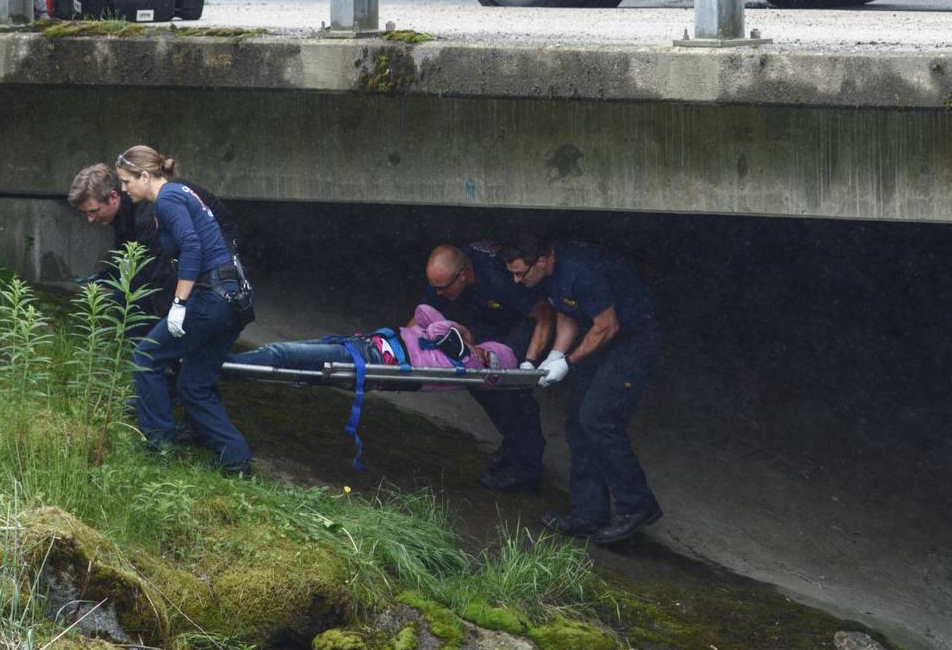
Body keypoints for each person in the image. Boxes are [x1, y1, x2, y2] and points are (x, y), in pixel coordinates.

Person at [503, 234, 663, 545]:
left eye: (522, 273)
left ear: (544, 260)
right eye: (512, 273)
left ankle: (637, 505)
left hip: (633, 338)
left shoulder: (582, 270)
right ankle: (588, 513)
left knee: (598, 417)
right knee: (578, 420)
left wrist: (570, 362)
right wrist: (554, 356)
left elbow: (607, 325)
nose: (517, 280)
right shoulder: (547, 275)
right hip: (601, 336)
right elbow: (568, 313)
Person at [116, 145, 253, 478]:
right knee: (194, 383)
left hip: (213, 299)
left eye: (125, 181)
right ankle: (235, 460)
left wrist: (179, 304)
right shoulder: (182, 191)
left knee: (146, 358)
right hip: (235, 299)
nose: (123, 190)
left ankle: (159, 444)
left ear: (144, 175)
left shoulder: (168, 199)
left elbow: (191, 246)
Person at [425, 242, 555, 492]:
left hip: (524, 321)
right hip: (488, 319)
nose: (438, 293)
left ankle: (526, 470)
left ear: (462, 275)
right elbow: (427, 310)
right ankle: (513, 440)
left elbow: (544, 314)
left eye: (442, 288)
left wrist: (528, 364)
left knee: (508, 387)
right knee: (476, 379)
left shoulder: (500, 278)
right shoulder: (445, 275)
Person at [65, 162, 241, 333]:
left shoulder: (147, 214)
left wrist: (170, 318)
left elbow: (162, 273)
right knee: (126, 294)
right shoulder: (126, 209)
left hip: (218, 251)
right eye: (85, 213)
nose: (89, 219)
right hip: (185, 246)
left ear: (113, 196)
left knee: (150, 300)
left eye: (93, 211)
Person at [229, 304, 521, 380]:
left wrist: (462, 331)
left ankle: (214, 368)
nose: (485, 357)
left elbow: (435, 329)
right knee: (283, 353)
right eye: (488, 353)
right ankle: (216, 367)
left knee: (280, 355)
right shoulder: (462, 349)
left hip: (372, 357)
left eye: (492, 360)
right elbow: (423, 310)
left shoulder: (467, 360)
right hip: (369, 348)